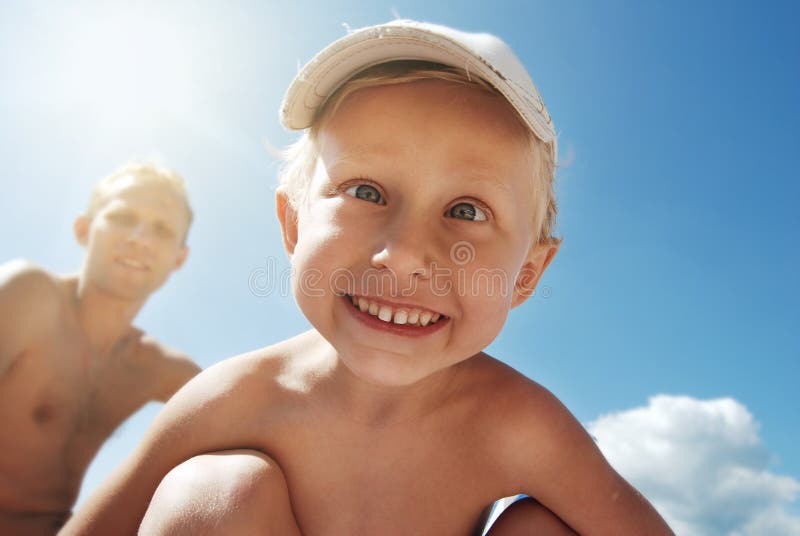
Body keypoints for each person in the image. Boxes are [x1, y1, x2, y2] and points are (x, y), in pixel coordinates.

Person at [63, 21, 674, 535]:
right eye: (366, 191)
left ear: (526, 276)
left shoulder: (520, 426)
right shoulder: (234, 401)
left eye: (466, 211)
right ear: (294, 225)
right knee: (213, 495)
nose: (405, 254)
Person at [0, 162, 201, 535]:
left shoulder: (159, 368)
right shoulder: (28, 296)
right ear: (84, 229)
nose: (140, 238)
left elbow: (247, 414)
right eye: (123, 217)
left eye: (161, 229)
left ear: (179, 258)